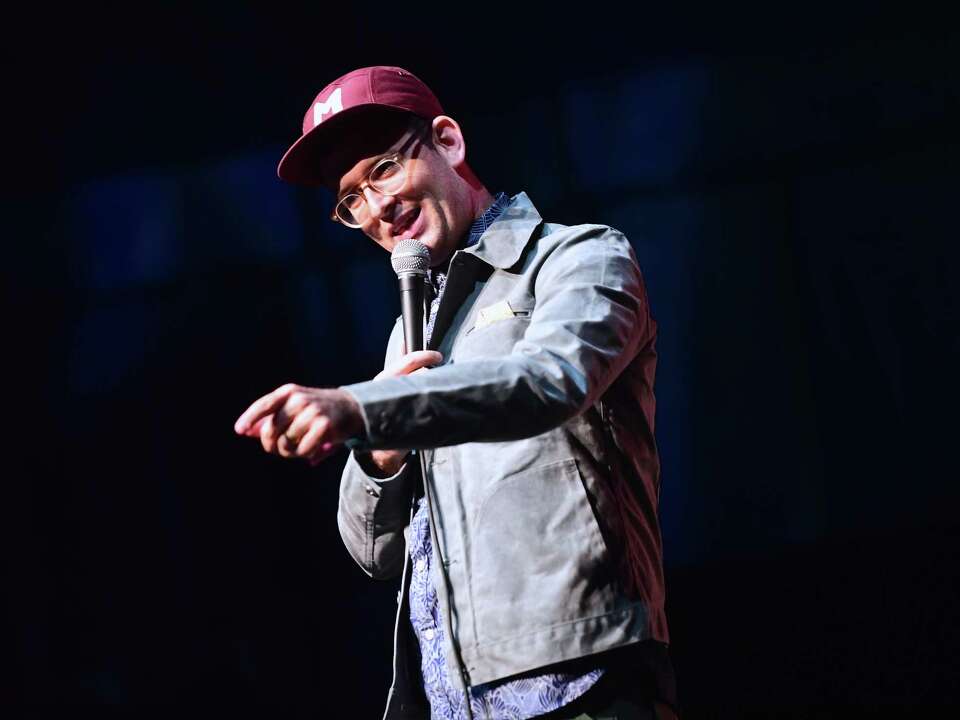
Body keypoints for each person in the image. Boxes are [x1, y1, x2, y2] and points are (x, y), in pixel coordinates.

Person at [234, 66, 678, 720]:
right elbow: (376, 555)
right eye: (351, 199)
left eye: (384, 169)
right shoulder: (407, 335)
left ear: (448, 141)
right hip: (452, 704)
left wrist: (363, 408)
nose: (376, 208)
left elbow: (550, 381)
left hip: (579, 679)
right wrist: (379, 452)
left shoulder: (575, 258)